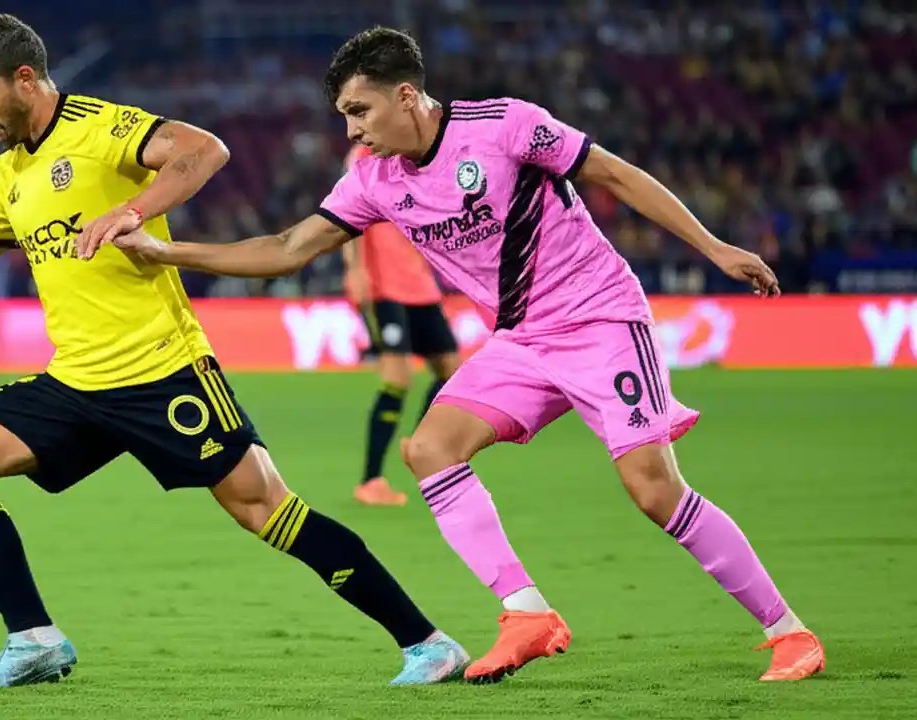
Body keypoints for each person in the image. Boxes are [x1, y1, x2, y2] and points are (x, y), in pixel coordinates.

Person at [108, 27, 824, 684]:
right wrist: (169, 252)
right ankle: (527, 614)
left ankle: (788, 632)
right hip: (520, 343)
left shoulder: (505, 126)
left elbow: (616, 174)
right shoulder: (373, 181)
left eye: (360, 111)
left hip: (601, 320)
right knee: (430, 449)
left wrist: (715, 247)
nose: (352, 129)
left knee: (653, 490)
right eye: (344, 116)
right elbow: (289, 250)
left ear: (407, 95)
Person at [0, 15, 468, 689]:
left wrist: (134, 209)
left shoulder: (100, 128)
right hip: (77, 383)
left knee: (266, 509)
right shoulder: (7, 178)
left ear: (24, 80)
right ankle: (34, 639)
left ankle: (427, 644)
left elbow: (204, 150)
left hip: (164, 373)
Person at [341, 143, 462, 507]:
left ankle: (418, 443)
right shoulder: (365, 155)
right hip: (384, 286)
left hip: (420, 284)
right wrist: (356, 269)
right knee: (397, 378)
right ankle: (371, 480)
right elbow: (348, 216)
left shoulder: (418, 151)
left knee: (451, 371)